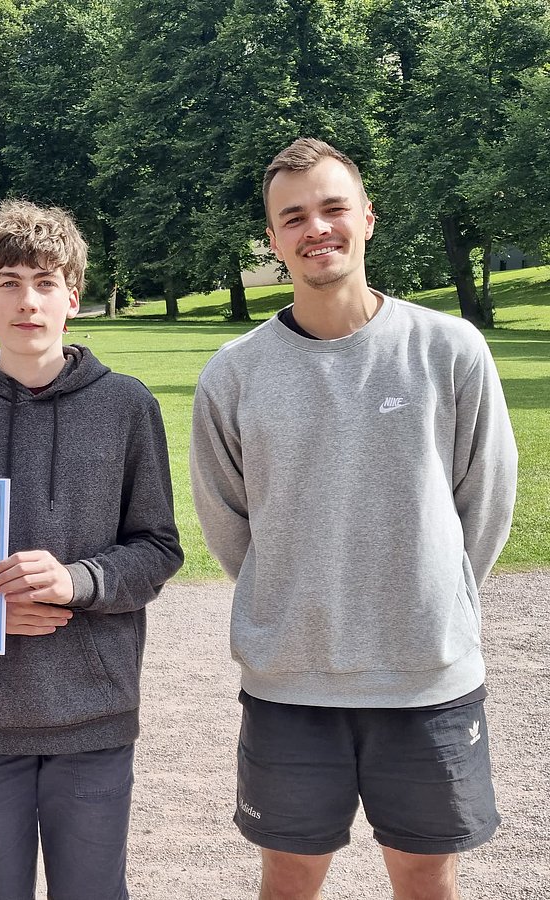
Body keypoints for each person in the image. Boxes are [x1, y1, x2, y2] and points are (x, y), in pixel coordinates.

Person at [189, 138, 519, 900]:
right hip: (290, 684)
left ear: (367, 218)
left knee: (427, 880)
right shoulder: (233, 374)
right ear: (274, 240)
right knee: (288, 880)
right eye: (293, 217)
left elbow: (487, 503)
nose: (317, 228)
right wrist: (291, 597)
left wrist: (436, 595)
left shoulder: (450, 351)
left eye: (333, 208)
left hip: (426, 678)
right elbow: (230, 526)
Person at [0, 200, 184, 900]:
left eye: (44, 282)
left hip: (94, 711)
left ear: (73, 296)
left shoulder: (127, 406)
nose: (27, 301)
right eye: (9, 283)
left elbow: (158, 548)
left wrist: (78, 580)